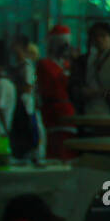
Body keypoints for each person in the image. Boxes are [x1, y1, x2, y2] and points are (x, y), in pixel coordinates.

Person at [36, 24, 76, 160]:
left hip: (69, 110)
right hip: (53, 112)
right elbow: (53, 85)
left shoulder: (67, 64)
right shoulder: (45, 64)